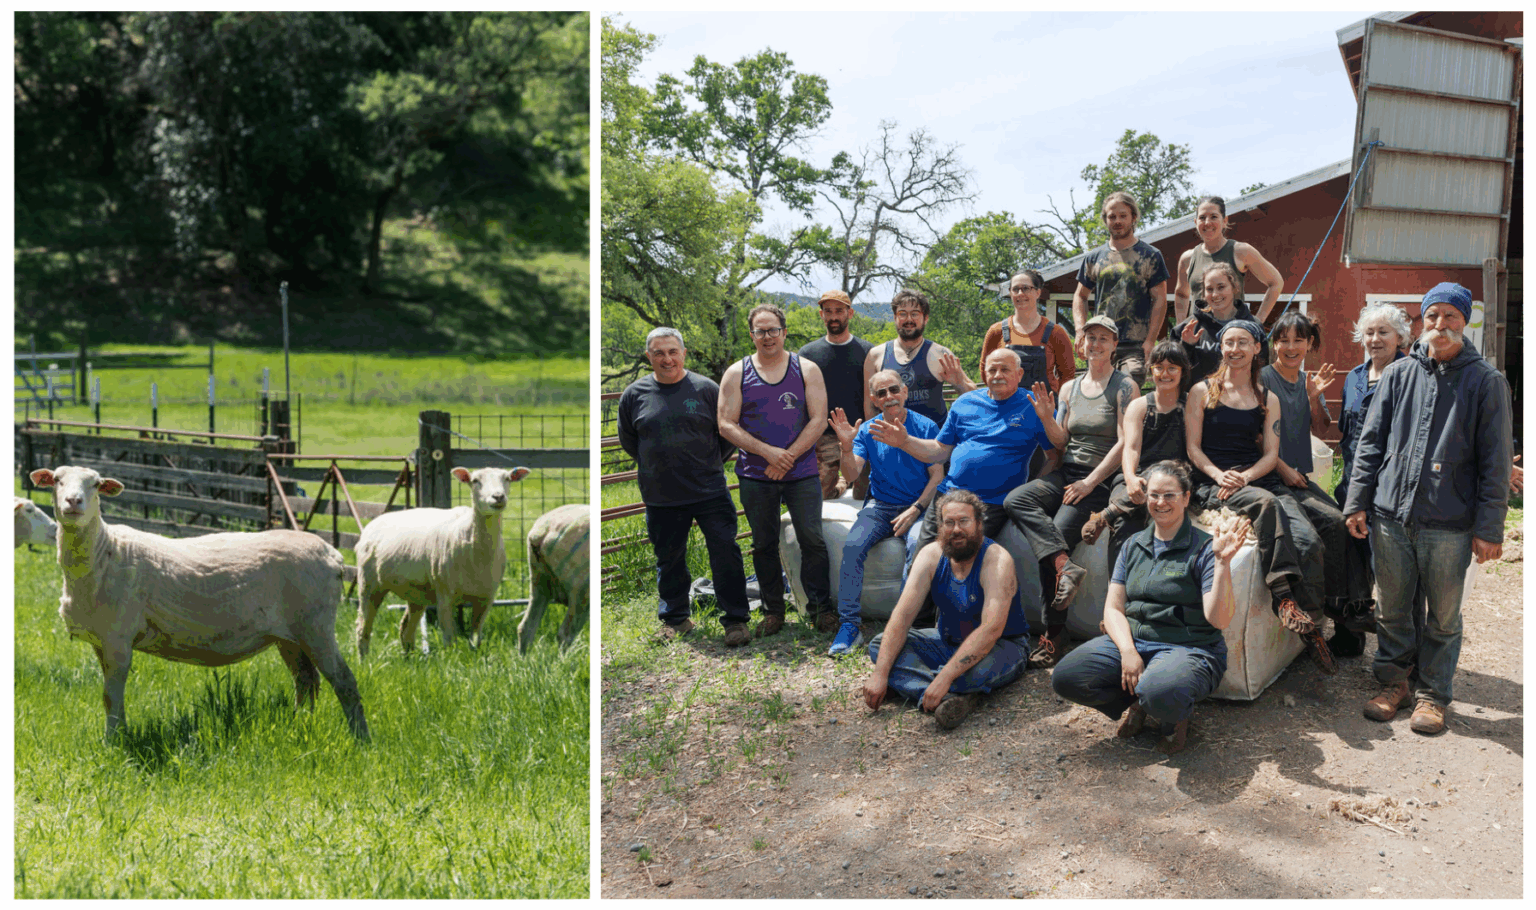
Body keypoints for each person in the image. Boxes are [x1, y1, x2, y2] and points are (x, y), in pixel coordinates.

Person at [1343, 282, 1512, 736]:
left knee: (1443, 615)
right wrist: (1357, 500)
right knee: (1393, 609)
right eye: (1432, 316)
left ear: (1465, 321)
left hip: (1450, 524)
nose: (1440, 325)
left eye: (1450, 317)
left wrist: (1490, 527)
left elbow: (1496, 463)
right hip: (1391, 516)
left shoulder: (1487, 382)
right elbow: (1370, 443)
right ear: (1421, 322)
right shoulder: (1399, 375)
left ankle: (1433, 694)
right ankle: (1394, 683)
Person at [1051, 461, 1251, 754]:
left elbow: (1218, 619)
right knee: (1067, 677)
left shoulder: (1206, 548)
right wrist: (1128, 652)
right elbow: (1113, 609)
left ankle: (1173, 720)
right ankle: (1137, 703)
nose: (1161, 502)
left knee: (1159, 689)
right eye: (1154, 494)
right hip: (1137, 641)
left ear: (1186, 497)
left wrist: (1222, 563)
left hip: (1190, 648)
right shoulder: (1133, 545)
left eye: (1170, 495)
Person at [1185, 320, 1334, 674]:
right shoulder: (1202, 391)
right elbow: (1192, 448)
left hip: (1256, 480)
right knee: (1265, 504)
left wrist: (1246, 477)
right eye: (1228, 342)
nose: (1235, 349)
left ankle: (1313, 626)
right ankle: (1282, 596)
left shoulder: (1268, 398)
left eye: (1243, 342)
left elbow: (1270, 454)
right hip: (1215, 482)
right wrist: (1220, 475)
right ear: (1221, 348)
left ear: (1256, 349)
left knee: (1311, 541)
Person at [1004, 315, 1136, 668]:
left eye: (1103, 338)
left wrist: (1091, 482)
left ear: (1114, 345)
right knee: (1016, 498)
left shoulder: (1124, 387)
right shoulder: (1069, 388)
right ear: (1081, 345)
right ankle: (1065, 566)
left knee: (1060, 530)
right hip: (1068, 471)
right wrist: (1047, 419)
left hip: (1100, 478)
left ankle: (1054, 634)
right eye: (1089, 337)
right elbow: (1061, 440)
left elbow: (1126, 442)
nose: (1095, 344)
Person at [619, 328, 753, 646]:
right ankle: (676, 619)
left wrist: (705, 465)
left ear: (684, 353)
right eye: (658, 353)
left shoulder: (706, 389)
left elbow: (725, 438)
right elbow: (630, 441)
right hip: (660, 494)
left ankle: (735, 621)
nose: (667, 359)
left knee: (725, 552)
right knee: (669, 558)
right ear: (648, 356)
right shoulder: (634, 395)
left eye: (672, 351)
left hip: (709, 490)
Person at [870, 348, 1055, 577]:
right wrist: (905, 441)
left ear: (1019, 374)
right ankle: (919, 614)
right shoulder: (965, 402)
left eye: (1005, 369)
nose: (997, 375)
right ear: (984, 374)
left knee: (959, 567)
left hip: (990, 502)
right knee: (921, 564)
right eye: (992, 369)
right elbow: (939, 451)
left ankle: (956, 613)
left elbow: (1055, 455)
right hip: (948, 495)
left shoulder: (1032, 406)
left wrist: (1031, 492)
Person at [860, 490, 1032, 730]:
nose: (956, 529)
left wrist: (945, 676)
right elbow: (902, 616)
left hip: (1003, 645)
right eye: (949, 522)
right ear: (940, 527)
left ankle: (920, 685)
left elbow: (991, 630)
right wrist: (879, 675)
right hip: (947, 641)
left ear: (979, 524)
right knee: (879, 646)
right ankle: (948, 698)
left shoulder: (996, 560)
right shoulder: (930, 555)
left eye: (964, 521)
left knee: (972, 674)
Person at [718, 303, 834, 637]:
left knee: (812, 540)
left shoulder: (806, 368)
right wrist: (768, 453)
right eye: (760, 331)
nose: (767, 337)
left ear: (783, 332)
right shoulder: (737, 373)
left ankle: (820, 609)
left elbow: (817, 418)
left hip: (802, 472)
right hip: (756, 473)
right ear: (752, 334)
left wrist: (789, 456)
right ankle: (773, 610)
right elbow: (726, 423)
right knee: (764, 542)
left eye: (772, 330)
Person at [1261, 310, 1367, 657]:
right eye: (1283, 339)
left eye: (1298, 340)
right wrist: (1282, 469)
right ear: (1274, 343)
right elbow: (1252, 437)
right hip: (1272, 476)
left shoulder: (1307, 379)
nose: (1290, 347)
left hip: (1299, 477)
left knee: (1342, 524)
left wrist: (1312, 396)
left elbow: (1322, 429)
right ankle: (1319, 619)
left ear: (1309, 343)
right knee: (1315, 536)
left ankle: (1348, 617)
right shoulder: (1262, 379)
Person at [826, 370, 944, 657]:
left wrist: (916, 509)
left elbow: (938, 476)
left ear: (904, 392)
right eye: (882, 393)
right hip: (881, 506)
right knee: (852, 547)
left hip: (919, 506)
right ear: (874, 399)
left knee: (918, 547)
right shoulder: (867, 430)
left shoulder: (925, 426)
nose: (889, 397)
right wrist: (844, 446)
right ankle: (849, 626)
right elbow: (851, 473)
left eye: (894, 390)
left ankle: (906, 627)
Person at [1081, 340, 1192, 563]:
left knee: (1166, 479)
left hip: (1175, 477)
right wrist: (1131, 478)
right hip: (1138, 474)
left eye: (1172, 368)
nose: (1165, 373)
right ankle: (1117, 590)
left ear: (1182, 372)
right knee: (1123, 526)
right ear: (1151, 370)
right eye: (1159, 367)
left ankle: (1108, 513)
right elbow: (1130, 448)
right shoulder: (1139, 406)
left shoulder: (1190, 405)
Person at [1072, 191, 1170, 387]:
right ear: (1105, 220)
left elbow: (1160, 299)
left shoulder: (1151, 255)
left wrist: (1150, 341)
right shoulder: (1094, 257)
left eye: (1123, 215)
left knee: (1129, 388)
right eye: (1112, 216)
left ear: (1133, 217)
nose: (1117, 221)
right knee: (1100, 394)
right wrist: (1080, 331)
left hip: (1135, 345)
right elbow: (1080, 296)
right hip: (1101, 342)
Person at [799, 289, 874, 500]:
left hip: (861, 433)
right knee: (820, 496)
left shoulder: (868, 351)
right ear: (821, 314)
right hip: (823, 436)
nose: (833, 316)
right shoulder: (807, 354)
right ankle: (841, 485)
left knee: (864, 496)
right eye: (828, 311)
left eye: (839, 311)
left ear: (850, 314)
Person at [864, 288, 977, 426]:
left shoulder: (941, 354)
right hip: (892, 440)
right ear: (895, 317)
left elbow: (974, 397)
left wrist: (960, 384)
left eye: (915, 314)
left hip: (935, 441)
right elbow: (869, 405)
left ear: (926, 318)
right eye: (902, 314)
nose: (909, 319)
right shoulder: (875, 355)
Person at [1173, 195, 1285, 324]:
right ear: (1195, 222)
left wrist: (1258, 321)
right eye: (1202, 218)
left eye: (1214, 217)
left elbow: (1276, 282)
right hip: (1198, 339)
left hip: (1233, 338)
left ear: (1225, 221)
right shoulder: (1187, 258)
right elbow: (1181, 294)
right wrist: (1180, 328)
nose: (1207, 222)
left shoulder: (1241, 251)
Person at [979, 269, 1075, 394]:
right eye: (1015, 289)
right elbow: (985, 372)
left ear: (1038, 292)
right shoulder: (996, 332)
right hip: (1007, 409)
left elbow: (1067, 377)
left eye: (1026, 288)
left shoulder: (1056, 333)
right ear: (1010, 293)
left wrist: (1054, 404)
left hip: (1044, 410)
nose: (1020, 293)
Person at [1174, 262, 1263, 386]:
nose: (1215, 294)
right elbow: (1173, 372)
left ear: (1234, 287)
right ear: (1203, 293)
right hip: (1198, 400)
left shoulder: (1254, 326)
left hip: (1241, 401)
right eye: (1209, 289)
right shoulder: (1188, 328)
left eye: (1221, 287)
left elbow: (1261, 372)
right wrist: (1186, 346)